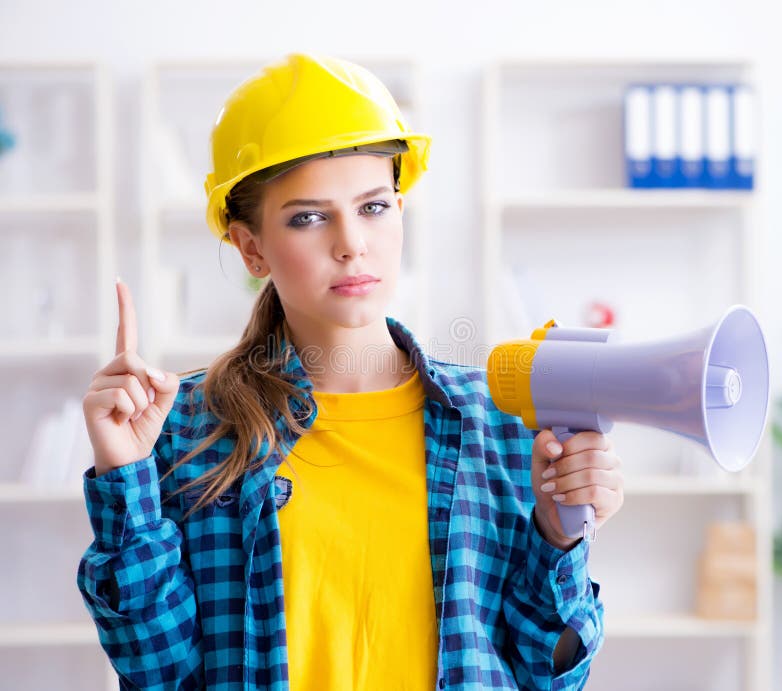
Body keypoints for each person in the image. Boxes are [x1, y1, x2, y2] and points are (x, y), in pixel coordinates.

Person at [77, 52, 624, 691]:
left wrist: (558, 538)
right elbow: (160, 675)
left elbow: (549, 676)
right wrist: (125, 476)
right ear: (251, 247)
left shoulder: (502, 423)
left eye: (373, 207)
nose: (351, 244)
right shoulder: (184, 430)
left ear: (400, 210)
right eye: (308, 217)